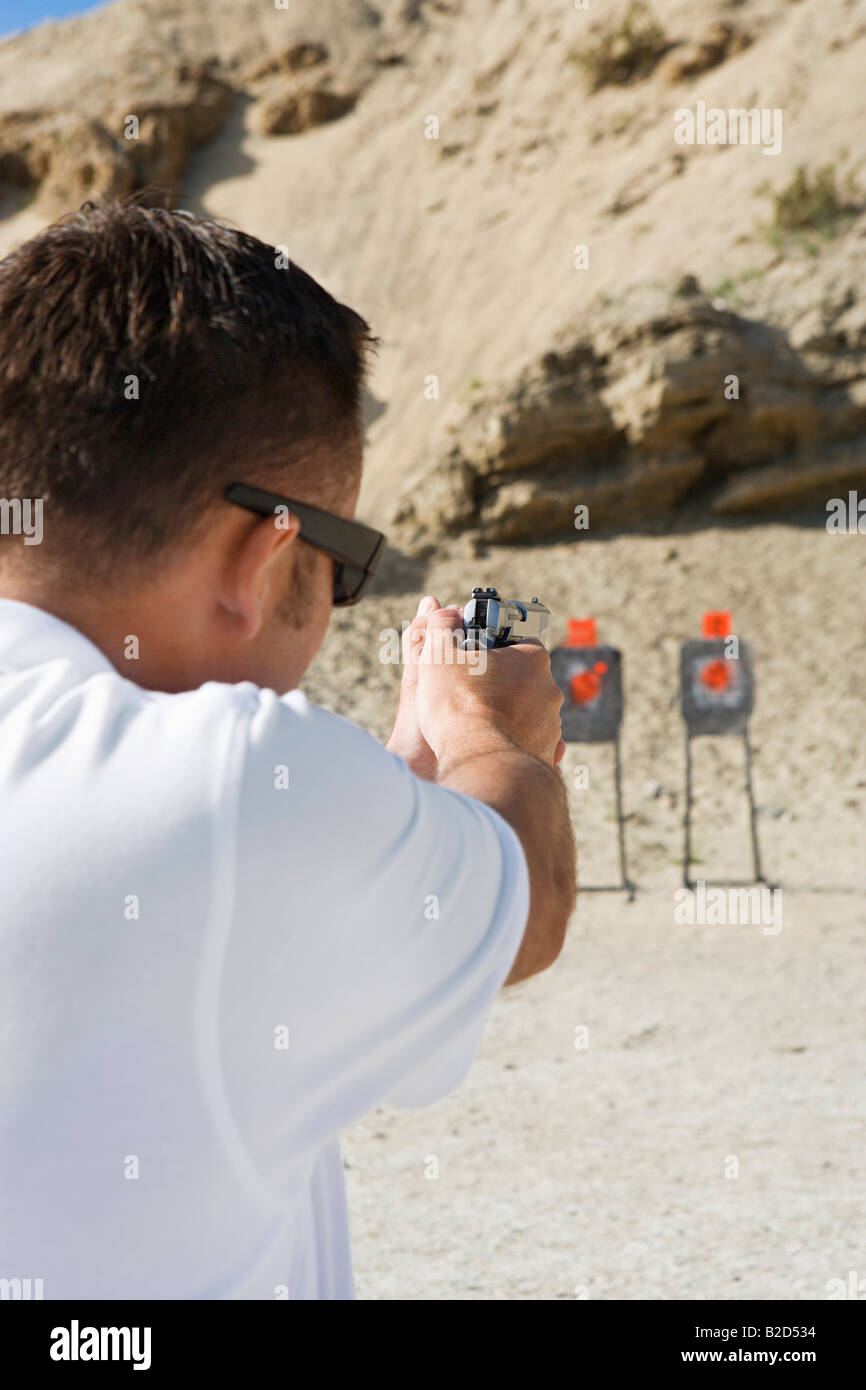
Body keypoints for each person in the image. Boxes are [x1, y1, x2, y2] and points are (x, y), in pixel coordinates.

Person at [0, 200, 576, 1300]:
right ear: (263, 559)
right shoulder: (230, 787)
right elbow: (527, 903)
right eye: (340, 563)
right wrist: (488, 732)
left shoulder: (220, 811)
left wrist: (397, 784)